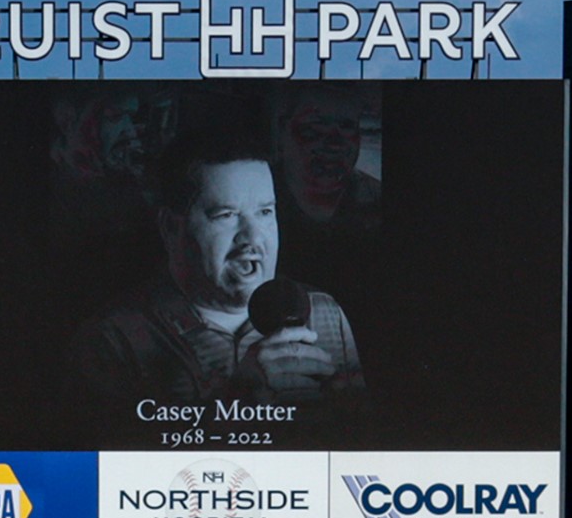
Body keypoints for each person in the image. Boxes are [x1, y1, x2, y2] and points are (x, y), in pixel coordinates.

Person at [64, 133, 365, 407]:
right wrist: (236, 400)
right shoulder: (113, 338)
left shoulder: (325, 311)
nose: (252, 238)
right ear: (171, 227)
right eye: (226, 215)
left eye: (264, 212)